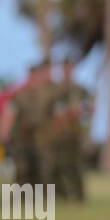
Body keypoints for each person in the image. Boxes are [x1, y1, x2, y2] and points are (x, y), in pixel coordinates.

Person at [0, 61, 55, 186]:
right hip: (22, 139)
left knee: (42, 170)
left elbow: (54, 116)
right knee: (22, 170)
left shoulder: (47, 95)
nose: (34, 79)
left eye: (37, 76)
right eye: (32, 76)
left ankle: (41, 199)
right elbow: (9, 113)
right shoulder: (19, 95)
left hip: (42, 139)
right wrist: (3, 132)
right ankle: (20, 198)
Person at [47, 56, 90, 201]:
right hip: (57, 133)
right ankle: (59, 195)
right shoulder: (54, 89)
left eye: (70, 69)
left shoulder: (80, 89)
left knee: (75, 165)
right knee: (57, 165)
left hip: (75, 133)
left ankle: (79, 196)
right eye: (65, 69)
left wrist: (80, 110)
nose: (67, 71)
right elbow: (49, 111)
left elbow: (90, 107)